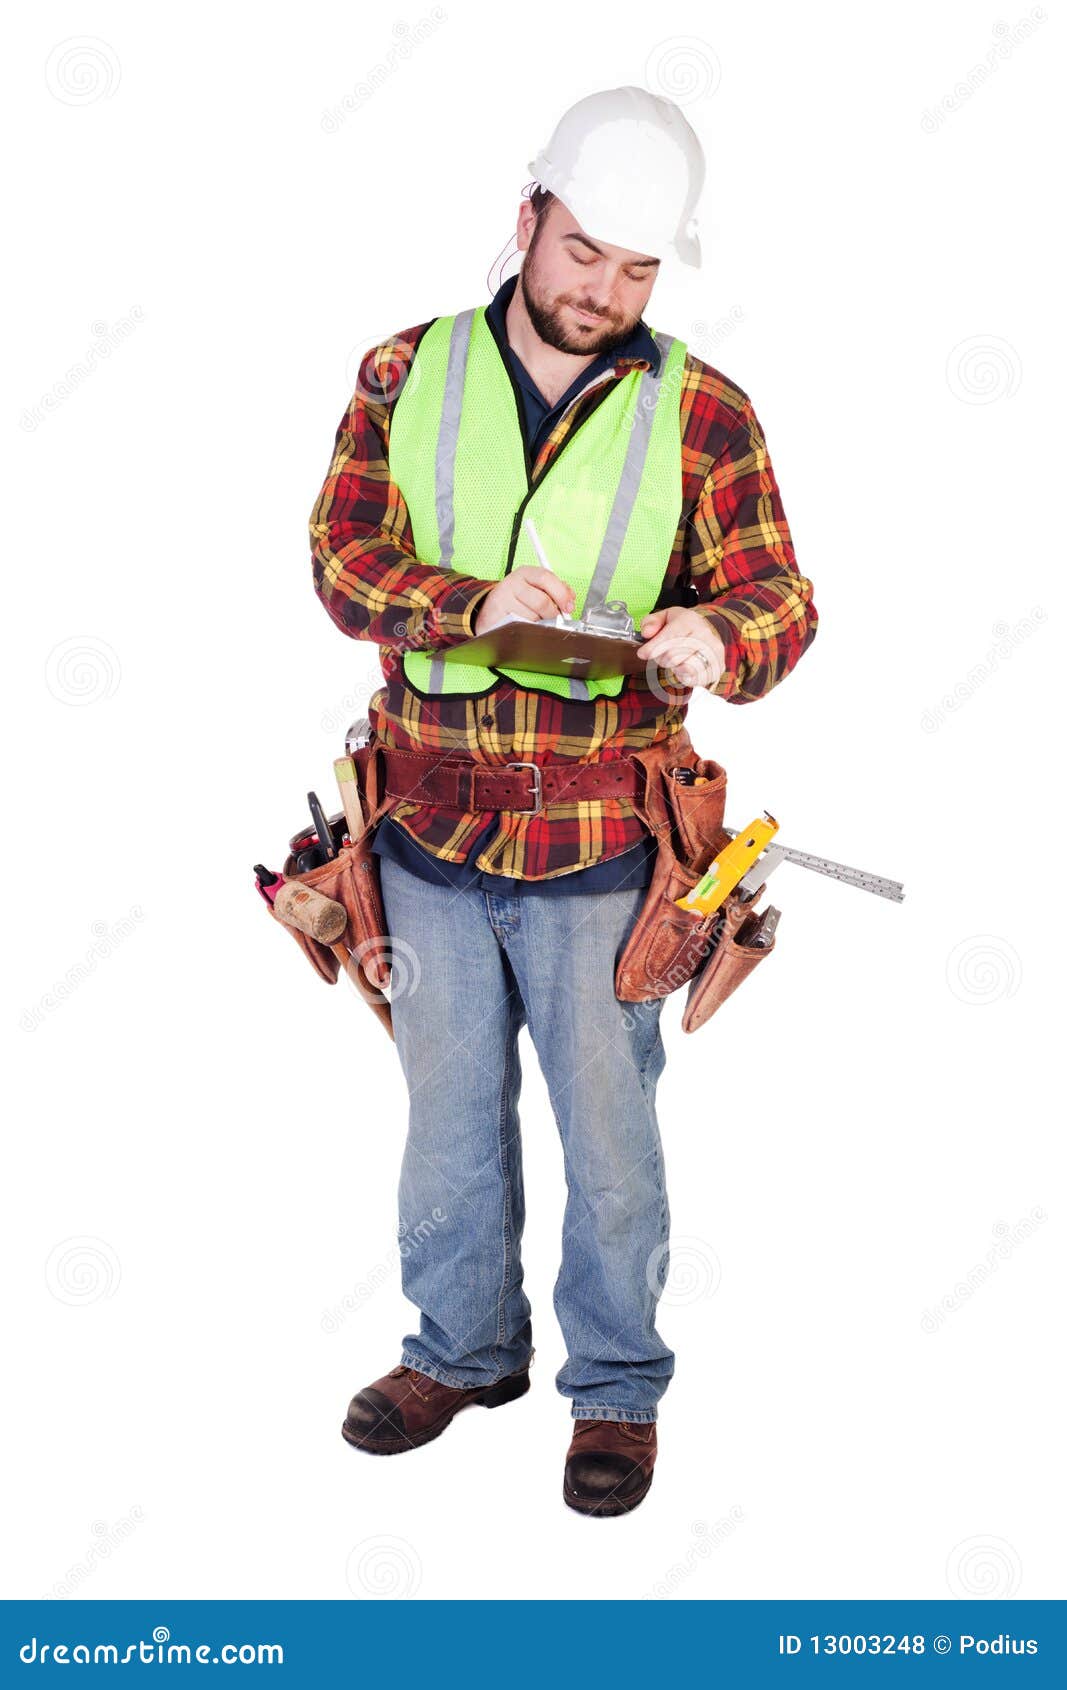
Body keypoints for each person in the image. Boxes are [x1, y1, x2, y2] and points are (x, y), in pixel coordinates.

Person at [309, 86, 818, 1515]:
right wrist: (467, 602)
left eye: (640, 269)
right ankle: (460, 1351)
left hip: (604, 840)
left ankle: (615, 1390)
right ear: (528, 218)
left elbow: (784, 598)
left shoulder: (704, 411)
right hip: (424, 828)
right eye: (586, 250)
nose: (605, 290)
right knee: (447, 1116)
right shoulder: (405, 375)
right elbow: (344, 560)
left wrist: (724, 635)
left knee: (610, 1131)